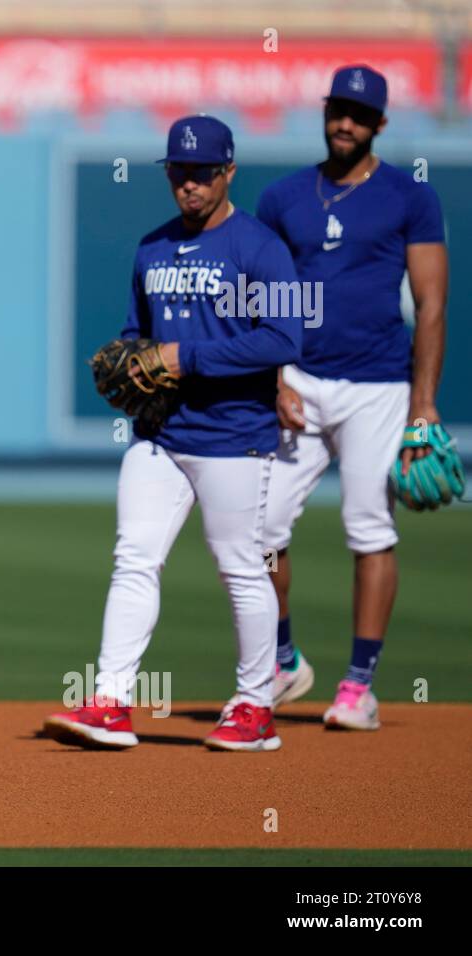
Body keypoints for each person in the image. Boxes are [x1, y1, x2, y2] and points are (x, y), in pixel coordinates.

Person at [45, 115, 302, 751]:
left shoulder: (260, 247)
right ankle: (110, 702)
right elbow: (135, 332)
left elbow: (283, 338)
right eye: (180, 172)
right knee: (134, 558)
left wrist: (186, 357)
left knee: (242, 566)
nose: (190, 184)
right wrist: (135, 359)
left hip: (234, 433)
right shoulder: (152, 247)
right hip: (159, 434)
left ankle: (254, 706)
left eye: (203, 172)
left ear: (228, 173)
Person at [256, 65, 447, 731]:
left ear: (380, 125)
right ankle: (283, 661)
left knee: (369, 529)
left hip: (377, 385)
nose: (346, 123)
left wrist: (424, 403)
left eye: (360, 116)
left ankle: (358, 685)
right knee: (258, 528)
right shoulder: (284, 197)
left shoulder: (409, 196)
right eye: (338, 110)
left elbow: (431, 305)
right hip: (301, 380)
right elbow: (266, 298)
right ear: (325, 111)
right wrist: (274, 379)